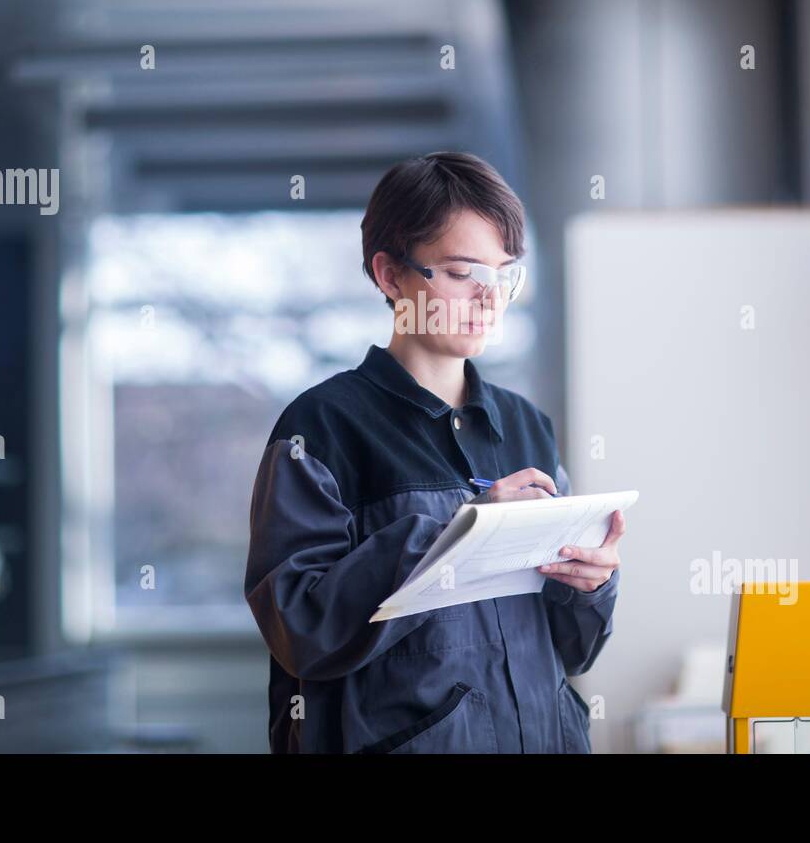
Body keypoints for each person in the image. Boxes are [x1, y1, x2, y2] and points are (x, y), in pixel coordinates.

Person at [244, 151, 626, 753]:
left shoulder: (527, 428)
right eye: (461, 272)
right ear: (391, 275)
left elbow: (575, 650)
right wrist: (461, 533)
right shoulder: (321, 429)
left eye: (503, 275)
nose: (489, 298)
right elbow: (301, 629)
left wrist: (590, 586)